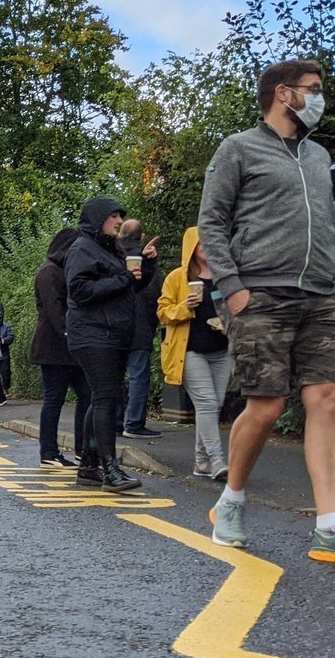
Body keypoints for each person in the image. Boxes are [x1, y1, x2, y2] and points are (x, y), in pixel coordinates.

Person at [198, 58, 335, 565]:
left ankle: (332, 525)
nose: (319, 98)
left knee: (330, 398)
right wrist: (233, 289)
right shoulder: (238, 148)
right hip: (261, 294)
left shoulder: (319, 156)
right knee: (267, 406)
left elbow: (325, 227)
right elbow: (211, 222)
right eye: (312, 90)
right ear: (283, 93)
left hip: (324, 295)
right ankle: (231, 501)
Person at [66, 197, 156, 493]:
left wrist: (148, 266)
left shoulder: (109, 249)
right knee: (106, 398)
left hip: (111, 334)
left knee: (103, 399)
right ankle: (110, 470)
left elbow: (131, 287)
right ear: (97, 219)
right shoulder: (82, 248)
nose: (118, 221)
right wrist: (123, 278)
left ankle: (90, 468)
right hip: (93, 334)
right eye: (113, 216)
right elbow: (79, 291)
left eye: (120, 216)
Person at [157, 227, 231, 481]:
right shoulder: (177, 277)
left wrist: (229, 319)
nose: (208, 248)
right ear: (191, 248)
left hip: (221, 349)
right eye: (202, 244)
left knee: (213, 404)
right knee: (208, 404)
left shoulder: (223, 276)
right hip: (189, 351)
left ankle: (201, 462)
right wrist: (184, 307)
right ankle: (218, 461)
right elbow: (163, 313)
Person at [31, 227, 91, 469]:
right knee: (54, 399)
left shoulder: (63, 271)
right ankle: (49, 452)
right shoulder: (49, 272)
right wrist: (70, 333)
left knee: (87, 396)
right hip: (54, 347)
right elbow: (55, 311)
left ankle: (82, 449)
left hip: (69, 346)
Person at [118, 219, 162, 438]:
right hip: (140, 327)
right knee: (138, 376)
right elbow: (154, 295)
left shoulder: (111, 256)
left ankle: (115, 421)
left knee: (115, 376)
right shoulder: (147, 259)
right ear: (142, 236)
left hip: (114, 326)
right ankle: (134, 424)